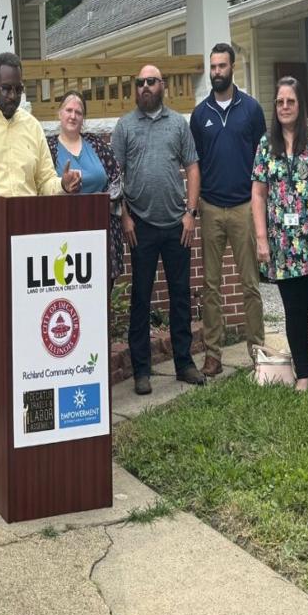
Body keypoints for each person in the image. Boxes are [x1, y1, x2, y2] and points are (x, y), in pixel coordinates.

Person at [0, 52, 82, 286]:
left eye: (18, 89)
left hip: (28, 225)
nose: (12, 96)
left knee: (27, 306)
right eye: (6, 89)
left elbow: (45, 181)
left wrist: (62, 184)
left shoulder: (32, 126)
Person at [111, 64, 202, 396]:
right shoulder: (124, 126)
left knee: (180, 295)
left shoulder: (178, 124)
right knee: (141, 298)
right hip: (142, 227)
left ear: (162, 85)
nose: (145, 87)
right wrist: (124, 217)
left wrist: (191, 214)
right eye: (139, 83)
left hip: (177, 224)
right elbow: (115, 174)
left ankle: (184, 363)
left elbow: (192, 166)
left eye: (151, 81)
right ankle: (141, 370)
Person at [251, 77, 308, 393]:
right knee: (293, 309)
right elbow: (259, 195)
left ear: (300, 103)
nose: (285, 107)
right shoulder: (267, 144)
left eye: (290, 101)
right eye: (280, 102)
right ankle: (303, 374)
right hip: (284, 244)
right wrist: (262, 239)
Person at [189, 43, 266, 377]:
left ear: (233, 67)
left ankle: (258, 351)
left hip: (244, 207)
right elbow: (195, 163)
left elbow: (262, 159)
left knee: (250, 284)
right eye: (213, 66)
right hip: (209, 206)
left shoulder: (250, 109)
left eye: (222, 66)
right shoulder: (200, 114)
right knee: (210, 285)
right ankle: (213, 354)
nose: (216, 71)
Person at [45, 91, 125, 281]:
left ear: (83, 119)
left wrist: (98, 201)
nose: (73, 116)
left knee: (101, 287)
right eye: (68, 110)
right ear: (59, 113)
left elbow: (116, 179)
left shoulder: (97, 144)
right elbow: (42, 186)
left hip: (101, 229)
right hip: (64, 231)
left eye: (78, 112)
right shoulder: (48, 148)